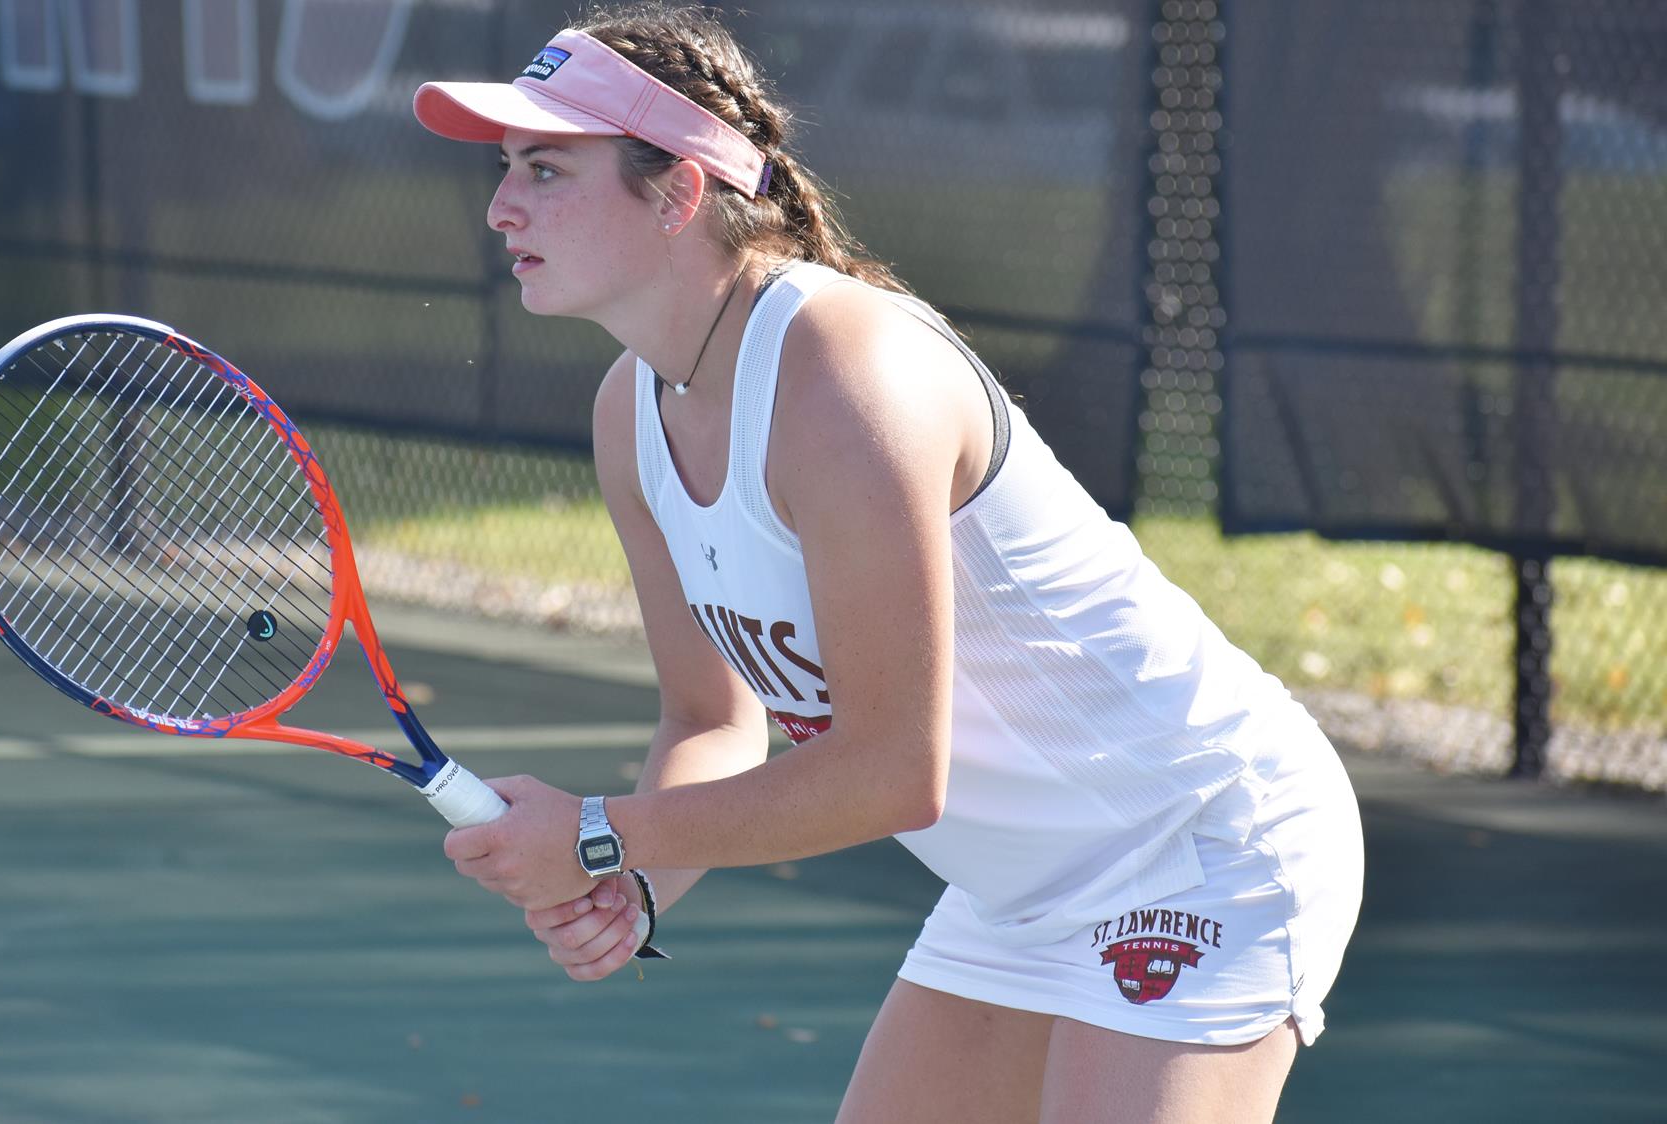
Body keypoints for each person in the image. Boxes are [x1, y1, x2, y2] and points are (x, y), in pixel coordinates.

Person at [412, 5, 1364, 1120]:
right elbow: (710, 720)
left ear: (674, 193)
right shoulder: (629, 410)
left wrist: (595, 830)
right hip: (1018, 885)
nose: (499, 204)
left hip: (1199, 839)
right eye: (504, 168)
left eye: (543, 168)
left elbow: (891, 771)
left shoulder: (842, 373)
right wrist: (632, 885)